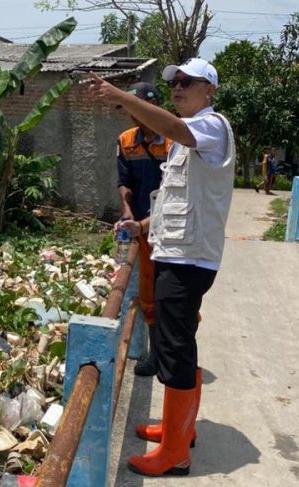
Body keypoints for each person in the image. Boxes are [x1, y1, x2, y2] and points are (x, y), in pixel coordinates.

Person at [87, 57, 235, 477]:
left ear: (210, 90)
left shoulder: (210, 126)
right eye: (176, 82)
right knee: (178, 343)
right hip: (175, 251)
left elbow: (171, 126)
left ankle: (175, 453)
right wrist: (141, 224)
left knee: (174, 347)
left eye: (189, 82)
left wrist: (120, 97)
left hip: (189, 258)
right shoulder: (189, 143)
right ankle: (177, 431)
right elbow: (173, 201)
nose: (179, 87)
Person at [115, 82, 172, 377]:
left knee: (175, 294)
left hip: (172, 232)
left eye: (136, 107)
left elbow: (174, 195)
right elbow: (124, 182)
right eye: (129, 109)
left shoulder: (174, 143)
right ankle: (155, 355)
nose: (132, 115)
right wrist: (128, 214)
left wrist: (143, 224)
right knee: (148, 294)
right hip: (140, 231)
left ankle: (173, 352)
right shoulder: (125, 140)